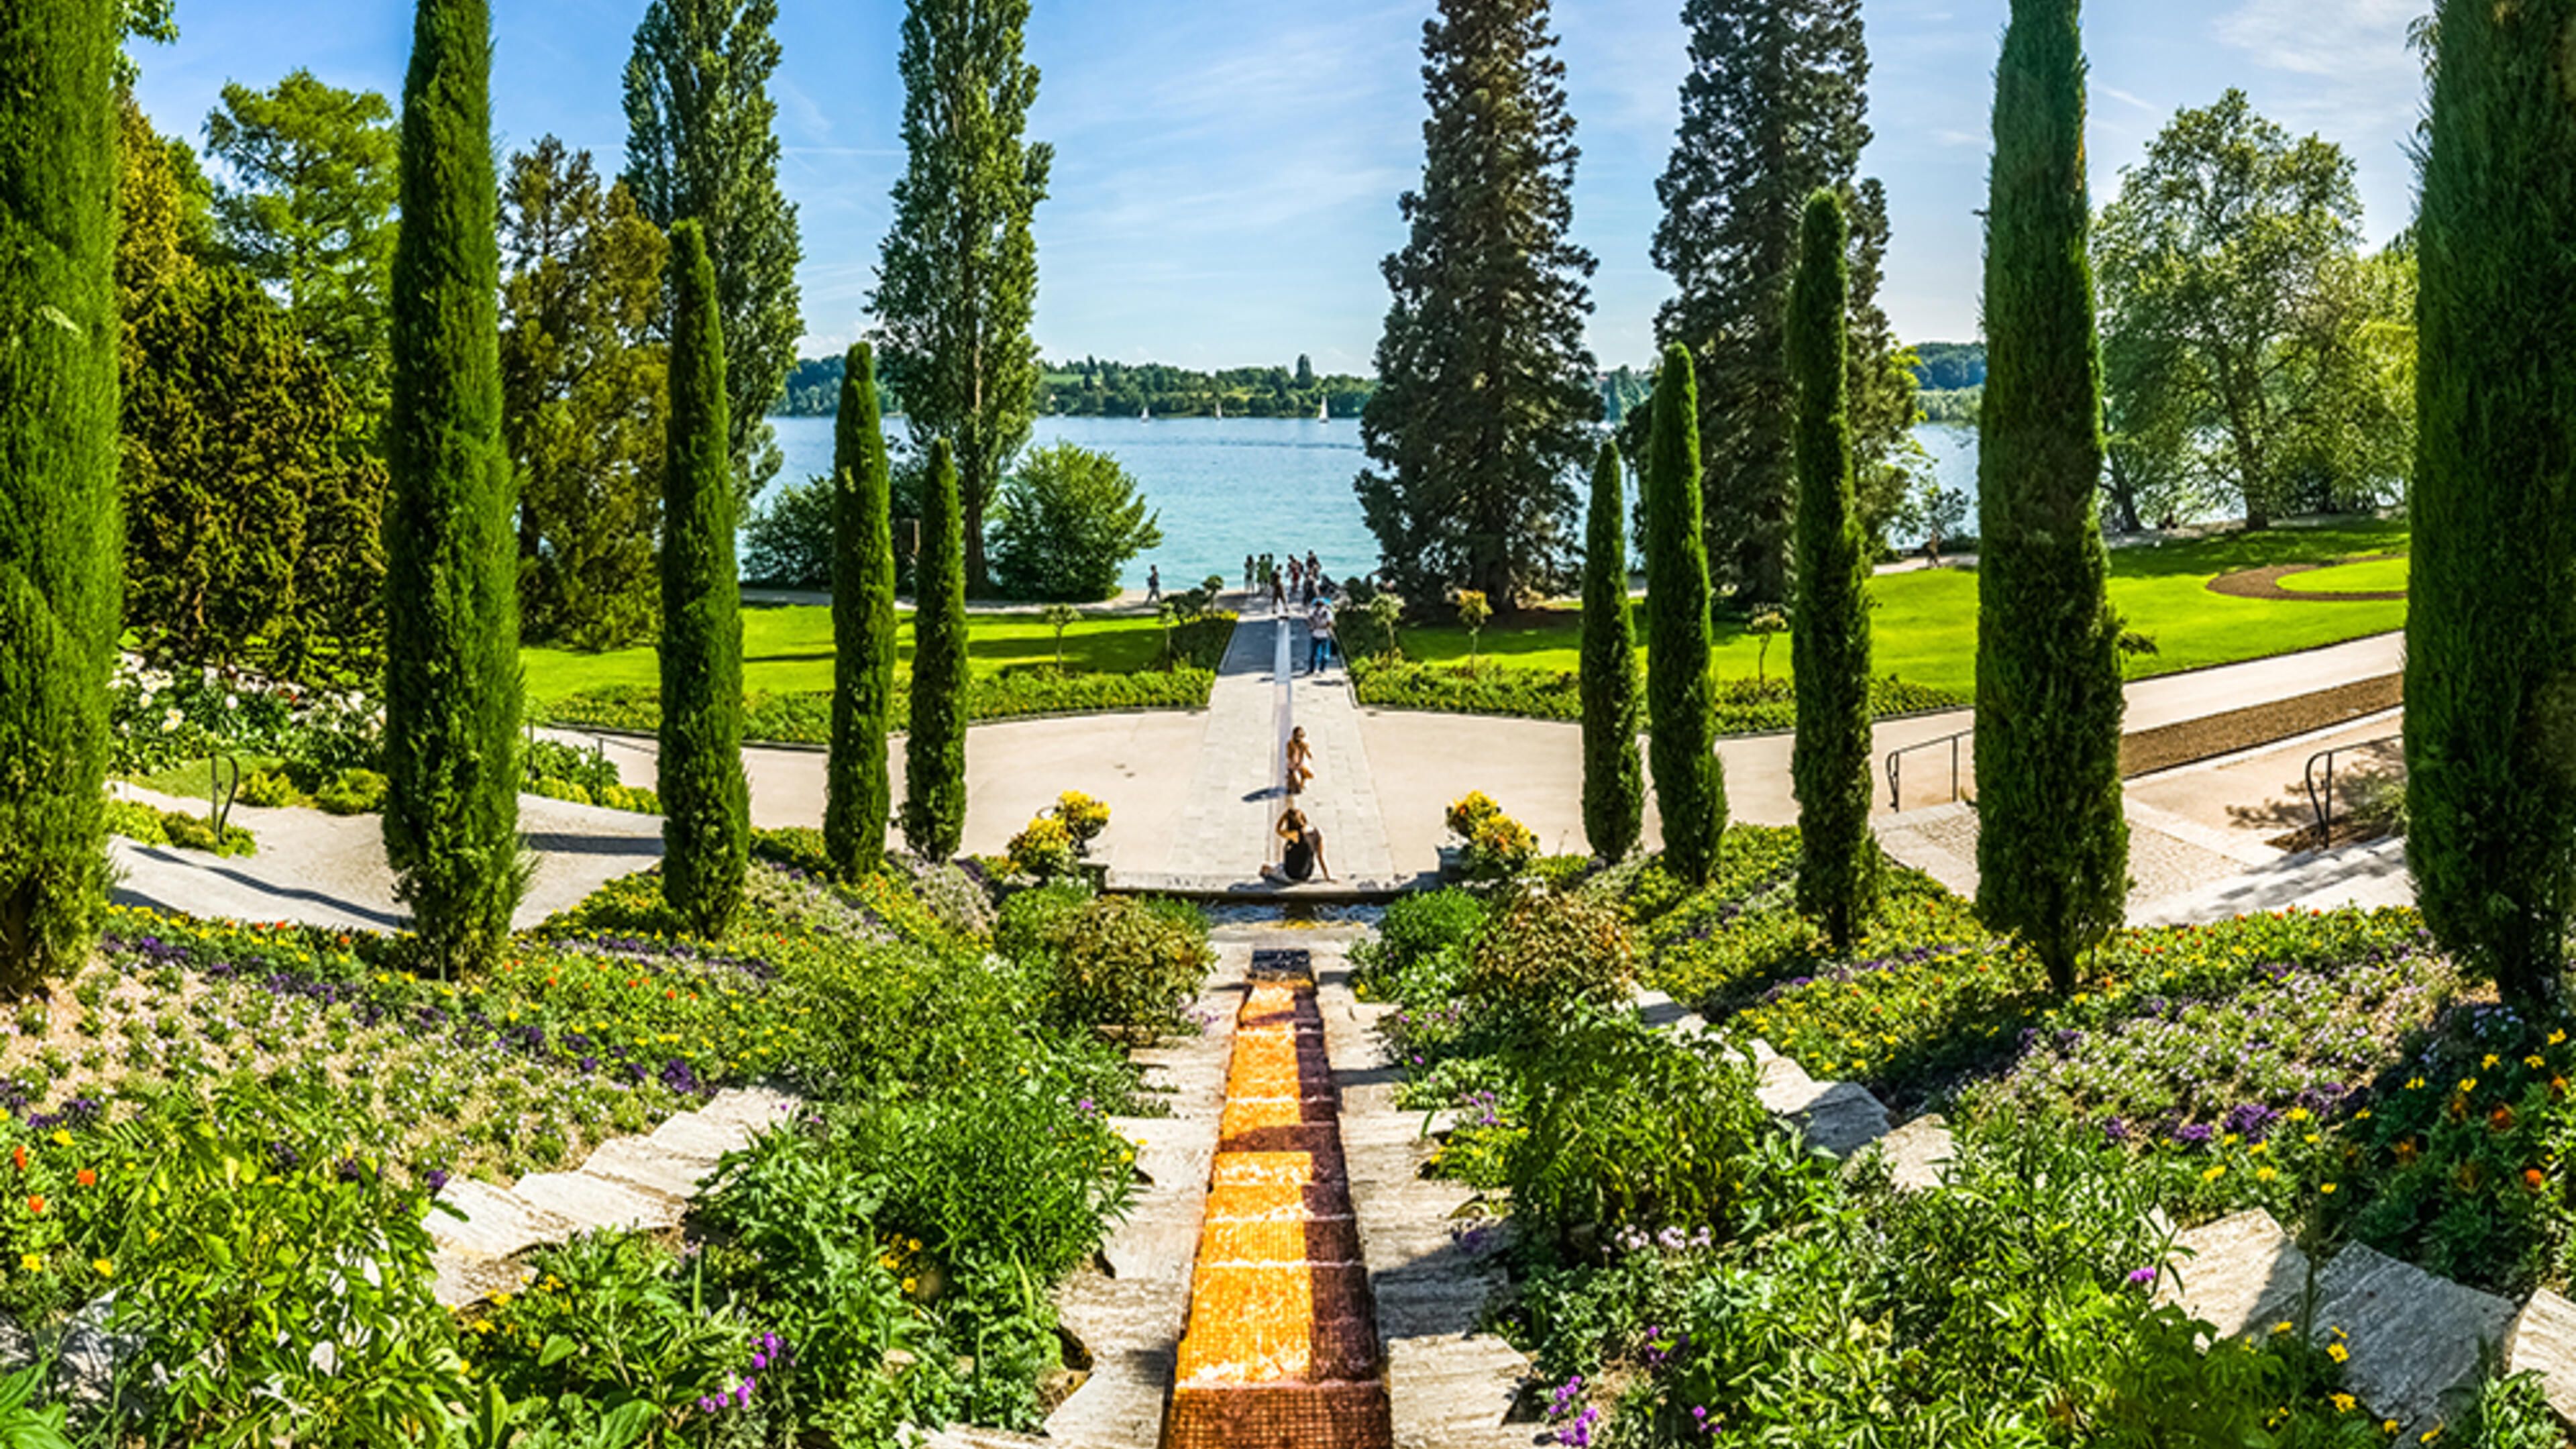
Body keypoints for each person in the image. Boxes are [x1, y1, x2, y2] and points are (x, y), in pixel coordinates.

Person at [1264, 807, 1332, 884]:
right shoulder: (1317, 832)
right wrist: (1328, 876)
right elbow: (1321, 857)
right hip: (1307, 874)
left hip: (1291, 875)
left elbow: (1278, 830)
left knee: (1265, 868)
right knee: (1279, 865)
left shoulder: (1295, 835)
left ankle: (1265, 885)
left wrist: (1284, 817)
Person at [1307, 595, 1335, 674]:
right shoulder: (1327, 612)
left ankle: (1313, 669)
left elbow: (1309, 621)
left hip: (1319, 634)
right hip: (1322, 635)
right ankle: (1320, 669)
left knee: (1315, 654)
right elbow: (1330, 623)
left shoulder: (1314, 612)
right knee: (1322, 654)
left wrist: (1314, 626)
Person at [1285, 725, 1315, 794]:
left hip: (1297, 762)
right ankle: (1292, 786)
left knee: (1301, 774)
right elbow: (1289, 753)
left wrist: (1308, 754)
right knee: (1293, 774)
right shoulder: (1292, 743)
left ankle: (1298, 785)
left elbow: (1306, 752)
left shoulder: (1302, 744)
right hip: (1295, 762)